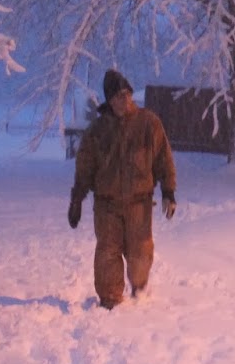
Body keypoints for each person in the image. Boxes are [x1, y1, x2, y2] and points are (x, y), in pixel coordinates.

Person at [68, 69, 178, 309]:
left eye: (127, 94)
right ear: (109, 99)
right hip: (107, 204)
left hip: (139, 203)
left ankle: (139, 291)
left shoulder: (148, 123)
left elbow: (163, 159)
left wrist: (169, 192)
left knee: (140, 253)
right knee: (108, 253)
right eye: (118, 96)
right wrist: (77, 198)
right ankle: (110, 302)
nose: (124, 100)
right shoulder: (97, 131)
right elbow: (85, 166)